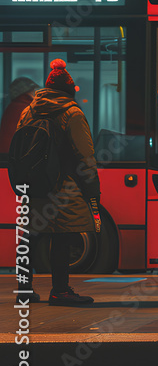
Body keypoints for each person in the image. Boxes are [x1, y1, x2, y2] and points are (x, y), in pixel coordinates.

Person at [19, 60, 99, 305]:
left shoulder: (28, 111)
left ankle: (24, 290)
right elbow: (85, 155)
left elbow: (19, 148)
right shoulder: (72, 113)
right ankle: (60, 291)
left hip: (34, 184)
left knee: (30, 236)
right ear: (68, 89)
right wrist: (93, 189)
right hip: (63, 185)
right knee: (62, 236)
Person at [0, 77, 39, 152]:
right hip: (14, 152)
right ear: (27, 92)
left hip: (5, 150)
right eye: (33, 90)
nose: (35, 93)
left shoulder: (12, 106)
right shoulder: (26, 108)